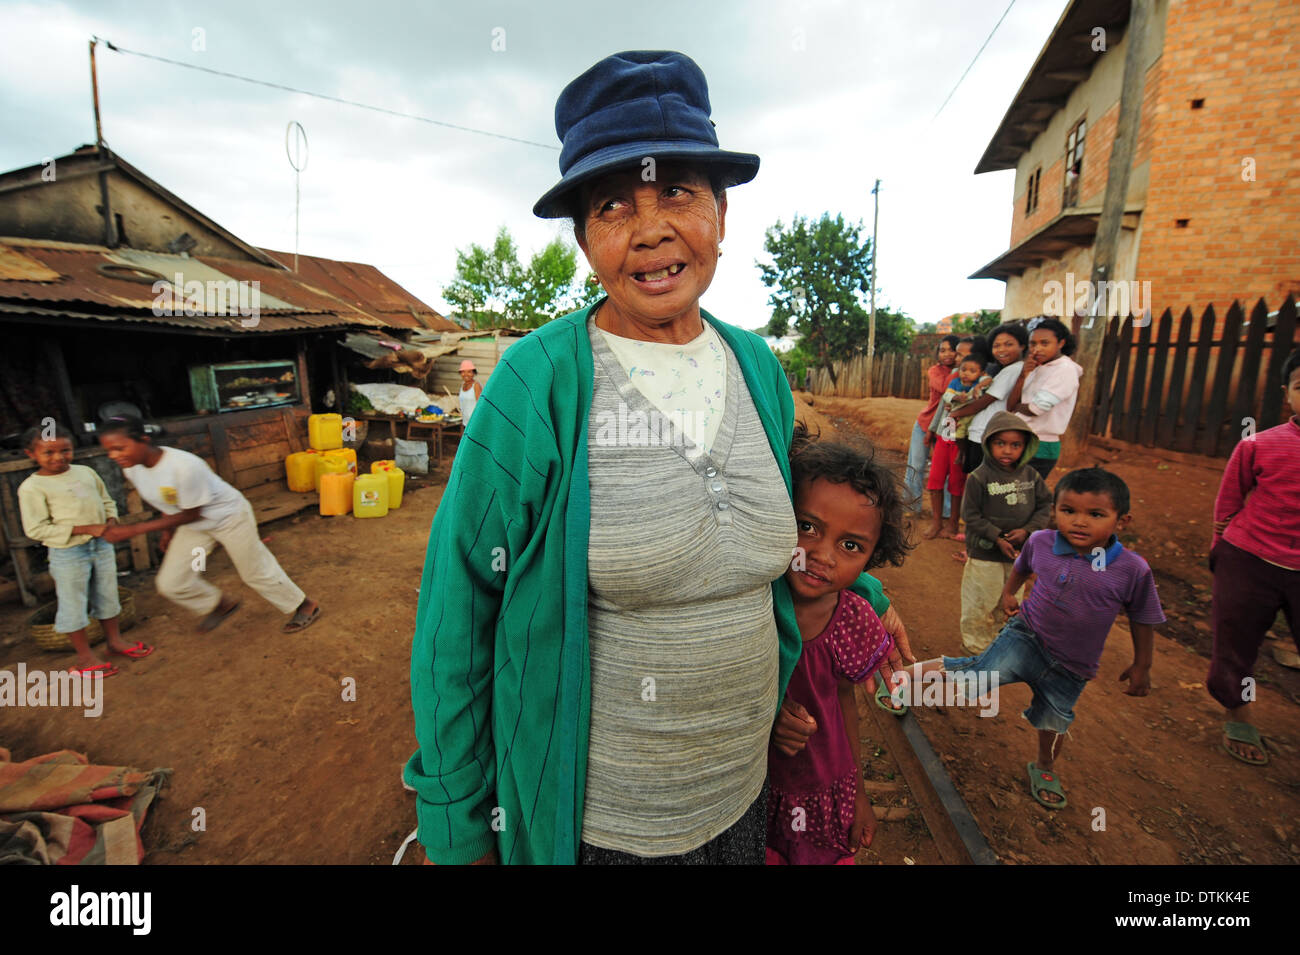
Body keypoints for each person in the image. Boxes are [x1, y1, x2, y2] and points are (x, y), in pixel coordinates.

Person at [405, 50, 913, 866]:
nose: (650, 229)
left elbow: (789, 525)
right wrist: (458, 822)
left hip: (745, 792)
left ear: (721, 213)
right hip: (603, 825)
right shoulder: (536, 385)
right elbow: (456, 615)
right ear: (584, 239)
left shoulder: (758, 370)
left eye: (677, 190)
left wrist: (871, 588)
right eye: (613, 206)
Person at [895, 468, 1164, 808]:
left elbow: (1143, 617)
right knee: (974, 678)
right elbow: (1023, 566)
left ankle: (1045, 767)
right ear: (1055, 511)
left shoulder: (1132, 570)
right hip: (1026, 638)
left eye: (1095, 514)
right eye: (1069, 511)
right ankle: (905, 678)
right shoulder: (1042, 542)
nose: (1079, 522)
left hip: (1073, 665)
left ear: (1121, 521)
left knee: (1055, 719)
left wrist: (1143, 664)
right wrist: (1011, 593)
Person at [766, 424, 908, 865]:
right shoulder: (753, 598)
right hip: (751, 787)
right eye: (806, 527)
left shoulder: (851, 618)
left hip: (823, 782)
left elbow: (845, 701)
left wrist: (860, 794)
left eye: (850, 545)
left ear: (873, 555)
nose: (822, 555)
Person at [97, 415, 321, 635]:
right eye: (109, 450)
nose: (113, 456)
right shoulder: (132, 468)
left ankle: (305, 605)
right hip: (196, 526)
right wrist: (167, 532)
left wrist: (134, 530)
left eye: (119, 448)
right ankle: (220, 604)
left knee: (254, 571)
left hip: (229, 519)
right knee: (172, 582)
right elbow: (166, 500)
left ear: (143, 440)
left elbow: (191, 514)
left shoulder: (184, 466)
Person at [1209, 349, 1300, 766]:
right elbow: (1229, 501)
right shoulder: (1258, 445)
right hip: (1248, 558)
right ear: (1287, 394)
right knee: (1237, 642)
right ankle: (1238, 711)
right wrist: (1220, 550)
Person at [17, 424, 153, 676]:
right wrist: (86, 528)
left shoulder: (85, 472)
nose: (59, 457)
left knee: (107, 594)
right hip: (67, 553)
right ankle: (84, 658)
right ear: (30, 454)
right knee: (73, 603)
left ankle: (114, 642)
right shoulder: (31, 488)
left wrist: (110, 520)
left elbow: (106, 500)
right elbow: (36, 530)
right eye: (48, 452)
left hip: (100, 546)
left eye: (65, 450)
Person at [958, 411, 1052, 655]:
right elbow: (970, 515)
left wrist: (1028, 531)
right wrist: (997, 537)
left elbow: (1045, 506)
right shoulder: (979, 477)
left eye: (1015, 445)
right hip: (984, 553)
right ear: (989, 443)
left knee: (1010, 601)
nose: (1008, 451)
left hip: (1018, 556)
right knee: (980, 600)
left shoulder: (1032, 476)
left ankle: (1000, 643)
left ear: (1026, 447)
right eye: (1000, 444)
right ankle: (975, 648)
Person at [1007, 317, 1083, 480]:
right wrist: (1022, 376)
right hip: (1022, 440)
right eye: (1033, 344)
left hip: (1041, 445)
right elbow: (1010, 405)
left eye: (1044, 343)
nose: (1037, 349)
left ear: (1061, 343)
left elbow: (1035, 409)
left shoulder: (1065, 370)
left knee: (1022, 497)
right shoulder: (1039, 368)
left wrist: (1019, 407)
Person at [947, 323, 1028, 474]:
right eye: (996, 345)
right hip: (979, 433)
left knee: (978, 485)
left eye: (1008, 344)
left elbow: (984, 402)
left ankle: (959, 451)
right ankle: (960, 451)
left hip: (983, 434)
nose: (1001, 350)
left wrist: (954, 414)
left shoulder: (1012, 370)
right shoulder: (1005, 370)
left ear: (1022, 345)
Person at [924, 355, 984, 540]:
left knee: (957, 482)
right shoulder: (954, 384)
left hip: (962, 441)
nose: (966, 373)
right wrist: (931, 430)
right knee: (935, 479)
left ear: (980, 374)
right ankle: (936, 523)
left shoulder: (980, 391)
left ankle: (952, 524)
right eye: (964, 369)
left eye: (972, 371)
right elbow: (943, 406)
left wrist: (979, 387)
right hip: (945, 436)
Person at [905, 334, 959, 514]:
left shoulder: (965, 371)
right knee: (916, 466)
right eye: (943, 350)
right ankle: (912, 506)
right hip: (925, 423)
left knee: (947, 470)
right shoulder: (935, 371)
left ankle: (946, 511)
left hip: (949, 426)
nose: (947, 354)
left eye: (952, 350)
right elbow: (945, 389)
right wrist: (959, 372)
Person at [457, 359, 482, 426]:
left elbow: (480, 405)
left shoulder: (476, 386)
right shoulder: (462, 385)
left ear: (474, 373)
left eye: (469, 372)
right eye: (463, 372)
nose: (466, 374)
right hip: (465, 422)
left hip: (475, 423)